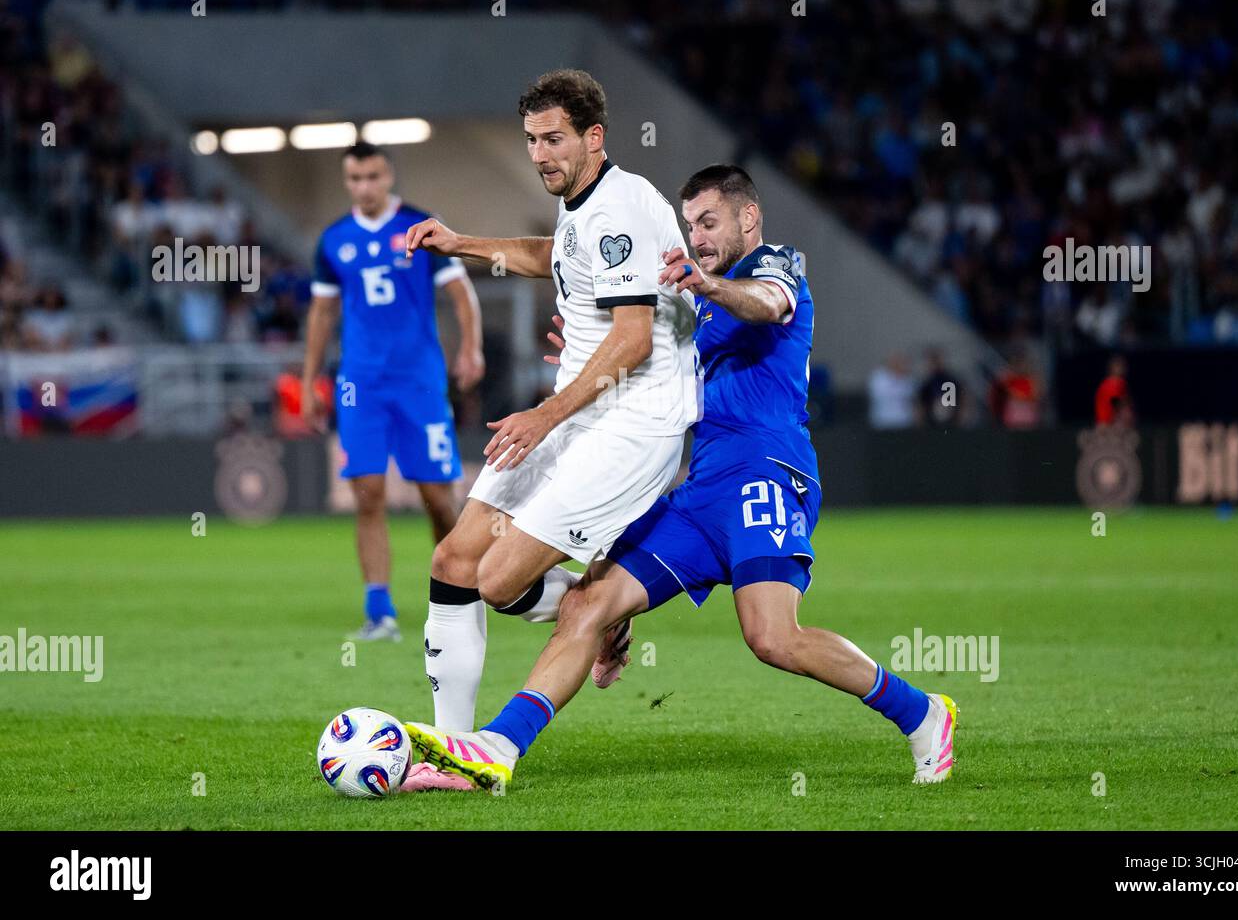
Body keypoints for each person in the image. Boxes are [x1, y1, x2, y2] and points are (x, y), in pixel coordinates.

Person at [400, 165, 957, 792]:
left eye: (709, 222)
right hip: (699, 488)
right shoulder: (688, 295)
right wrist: (579, 342)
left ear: (748, 216)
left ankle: (924, 714)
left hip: (766, 473)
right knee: (587, 601)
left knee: (771, 637)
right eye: (691, 225)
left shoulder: (776, 266)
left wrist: (708, 285)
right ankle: (494, 752)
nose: (698, 237)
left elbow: (769, 305)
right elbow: (564, 262)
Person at [403, 70, 700, 765]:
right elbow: (558, 257)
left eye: (554, 138)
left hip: (631, 425)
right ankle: (450, 745)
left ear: (594, 137)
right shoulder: (580, 203)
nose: (540, 153)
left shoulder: (622, 206)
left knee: (499, 580)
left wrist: (542, 415)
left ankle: (597, 609)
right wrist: (463, 242)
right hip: (578, 409)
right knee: (453, 558)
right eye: (532, 139)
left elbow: (632, 340)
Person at [301, 142, 485, 642]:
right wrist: (309, 379)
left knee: (436, 499)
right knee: (367, 494)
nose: (364, 186)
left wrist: (471, 347)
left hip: (419, 382)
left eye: (372, 177)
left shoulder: (420, 226)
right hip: (359, 385)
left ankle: (458, 596)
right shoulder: (333, 241)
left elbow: (459, 291)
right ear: (347, 182)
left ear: (388, 177)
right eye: (355, 178)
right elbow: (321, 314)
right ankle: (379, 612)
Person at [1094, 355, 1133, 428]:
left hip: (1114, 422)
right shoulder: (1109, 384)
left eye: (1123, 366)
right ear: (1111, 368)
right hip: (1107, 424)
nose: (1123, 368)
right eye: (1119, 366)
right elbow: (1117, 404)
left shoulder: (1121, 383)